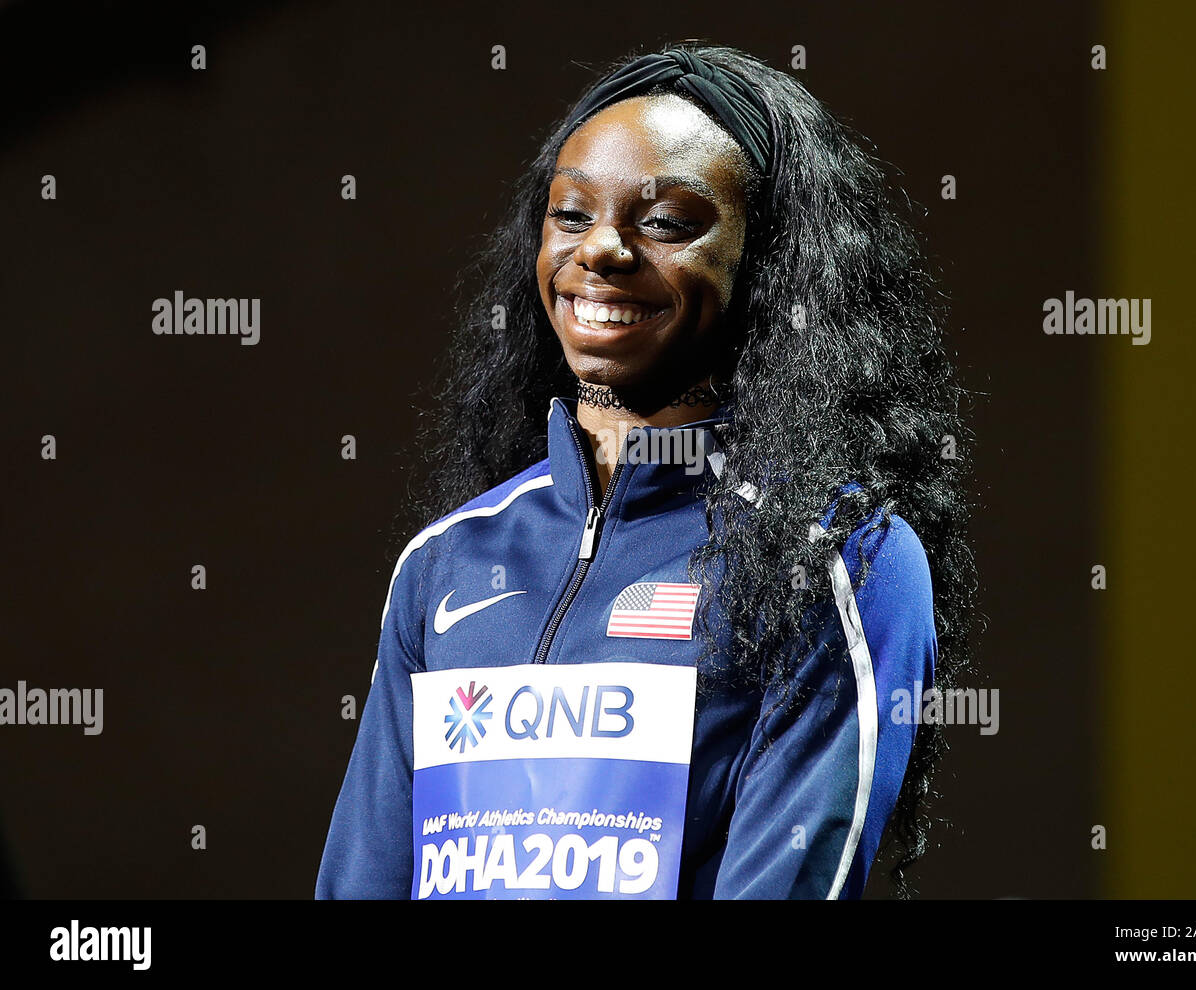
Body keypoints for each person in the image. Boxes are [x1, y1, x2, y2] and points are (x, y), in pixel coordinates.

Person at [316, 42, 975, 900]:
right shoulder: (444, 563)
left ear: (769, 266)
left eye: (664, 223)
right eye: (571, 215)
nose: (604, 251)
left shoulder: (839, 558)